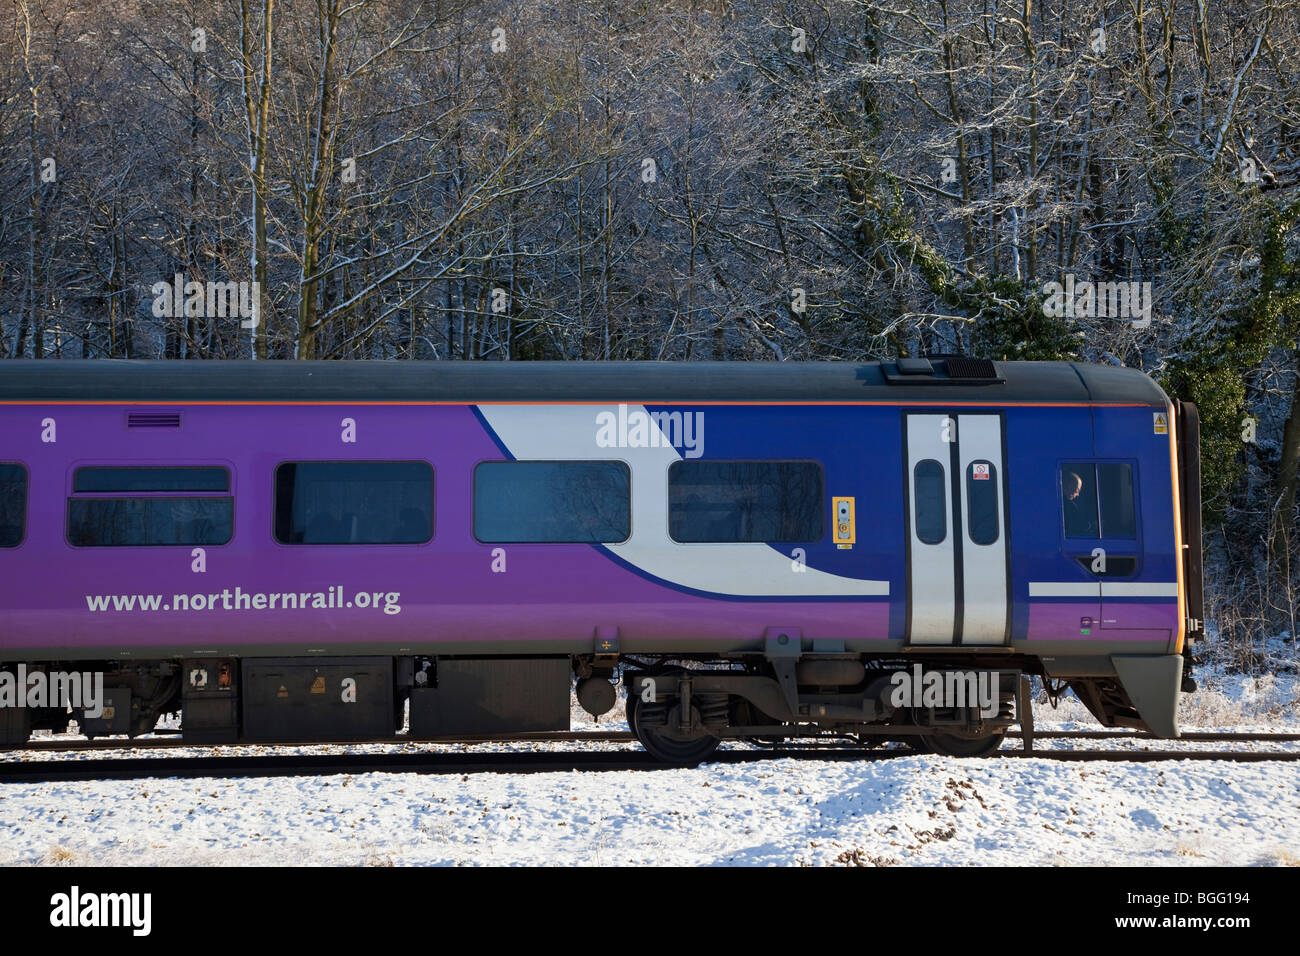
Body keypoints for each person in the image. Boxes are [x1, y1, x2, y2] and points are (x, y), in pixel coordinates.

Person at [1062, 469, 1098, 537]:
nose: (1078, 494)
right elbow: (1081, 527)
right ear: (1068, 485)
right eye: (1077, 490)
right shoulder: (1069, 506)